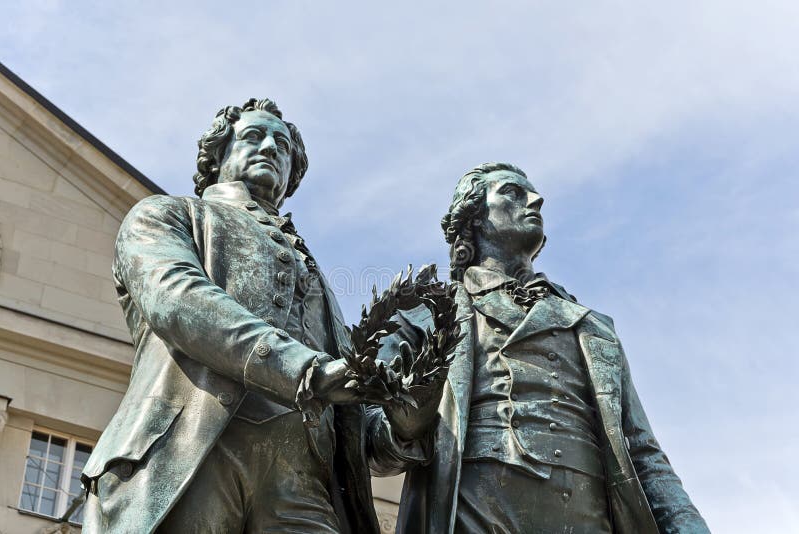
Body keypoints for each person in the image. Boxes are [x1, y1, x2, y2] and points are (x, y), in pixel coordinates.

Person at [80, 98, 427, 533]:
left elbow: (353, 421)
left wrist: (402, 418)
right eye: (253, 136)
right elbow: (179, 299)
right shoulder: (166, 215)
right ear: (217, 154)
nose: (270, 148)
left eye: (283, 145)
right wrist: (306, 370)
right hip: (193, 455)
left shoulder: (319, 280)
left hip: (305, 480)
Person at [379, 162, 710, 534]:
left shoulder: (593, 327)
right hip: (474, 512)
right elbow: (367, 435)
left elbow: (643, 452)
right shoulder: (423, 315)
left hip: (587, 515)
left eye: (532, 193)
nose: (536, 200)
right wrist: (404, 425)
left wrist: (686, 524)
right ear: (474, 217)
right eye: (512, 192)